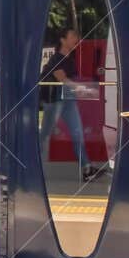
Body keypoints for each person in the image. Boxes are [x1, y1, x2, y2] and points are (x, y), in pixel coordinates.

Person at [40, 26, 99, 183]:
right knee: (44, 136)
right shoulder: (55, 59)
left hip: (68, 101)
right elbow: (63, 80)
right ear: (63, 40)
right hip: (54, 102)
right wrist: (83, 88)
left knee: (77, 134)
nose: (76, 39)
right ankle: (32, 168)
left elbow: (71, 83)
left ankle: (87, 169)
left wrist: (83, 89)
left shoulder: (70, 60)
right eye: (73, 36)